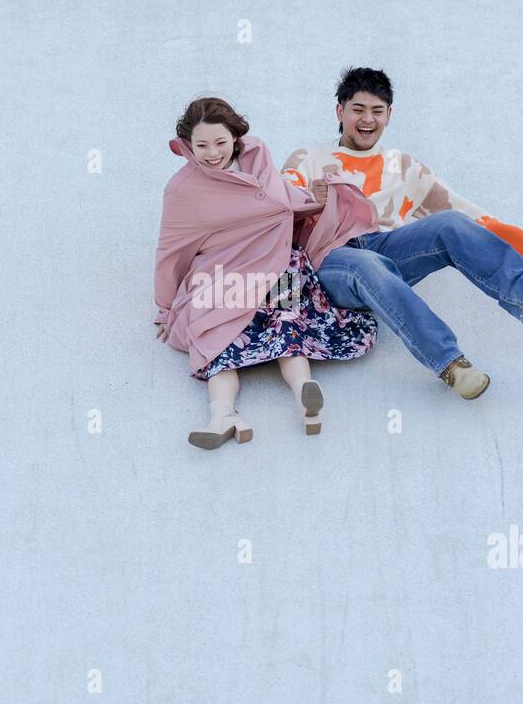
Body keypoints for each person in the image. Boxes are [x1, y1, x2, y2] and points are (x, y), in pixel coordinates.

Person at [281, 67, 523, 400]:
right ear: (340, 111)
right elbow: (278, 210)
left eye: (377, 111)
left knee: (448, 223)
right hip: (331, 258)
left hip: (386, 249)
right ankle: (450, 363)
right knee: (367, 264)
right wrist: (309, 202)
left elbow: (462, 210)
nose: (368, 120)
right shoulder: (307, 159)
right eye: (358, 109)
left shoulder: (404, 166)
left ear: (389, 116)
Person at [154, 97, 381, 449]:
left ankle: (301, 396)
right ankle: (229, 416)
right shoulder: (184, 190)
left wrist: (319, 199)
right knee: (224, 334)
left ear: (235, 138)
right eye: (201, 145)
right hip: (227, 270)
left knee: (266, 325)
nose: (212, 153)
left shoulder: (257, 159)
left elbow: (283, 200)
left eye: (220, 142)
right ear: (187, 145)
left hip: (273, 262)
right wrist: (166, 306)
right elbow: (171, 248)